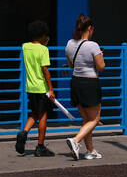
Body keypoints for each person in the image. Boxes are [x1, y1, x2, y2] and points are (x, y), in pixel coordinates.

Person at [63, 13, 105, 160]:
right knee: (95, 119)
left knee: (86, 120)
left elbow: (71, 65)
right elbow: (101, 67)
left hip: (76, 82)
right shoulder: (93, 45)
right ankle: (75, 140)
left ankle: (90, 151)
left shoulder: (69, 44)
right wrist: (101, 56)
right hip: (90, 84)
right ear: (90, 28)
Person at [14, 20, 55, 156]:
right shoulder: (44, 50)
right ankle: (40, 146)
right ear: (43, 35)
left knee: (35, 113)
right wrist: (51, 89)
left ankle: (23, 133)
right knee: (43, 116)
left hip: (30, 87)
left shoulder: (25, 47)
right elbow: (45, 70)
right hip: (41, 88)